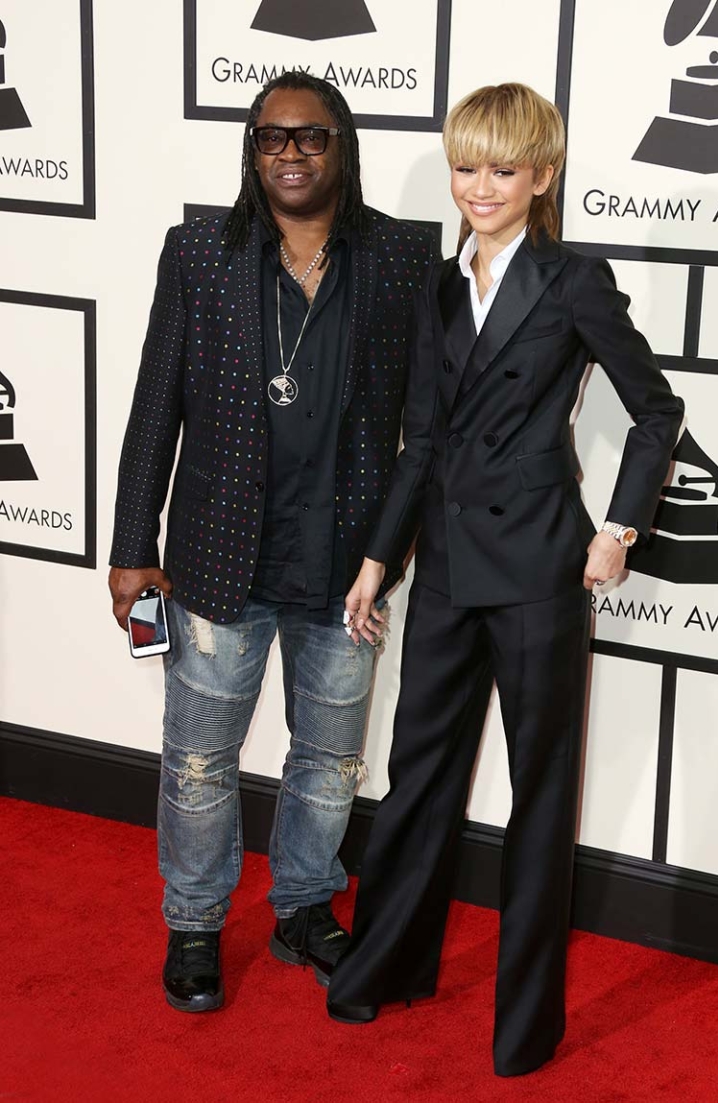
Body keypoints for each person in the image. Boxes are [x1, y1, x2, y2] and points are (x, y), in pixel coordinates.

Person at [326, 83, 684, 1076]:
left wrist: (618, 527)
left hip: (537, 569)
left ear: (542, 176)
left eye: (501, 169)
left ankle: (525, 1024)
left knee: (540, 794)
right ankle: (385, 963)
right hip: (441, 567)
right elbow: (423, 440)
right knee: (417, 778)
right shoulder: (439, 288)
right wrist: (375, 558)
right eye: (465, 167)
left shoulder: (574, 280)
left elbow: (656, 410)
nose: (479, 187)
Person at [108, 71, 437, 1013]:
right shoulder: (199, 252)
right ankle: (197, 921)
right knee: (199, 757)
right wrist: (134, 543)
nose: (290, 152)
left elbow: (426, 422)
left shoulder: (405, 257)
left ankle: (301, 905)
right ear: (251, 150)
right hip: (218, 555)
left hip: (348, 567)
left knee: (329, 758)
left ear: (345, 146)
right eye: (270, 137)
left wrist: (397, 542)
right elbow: (152, 406)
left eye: (311, 137)